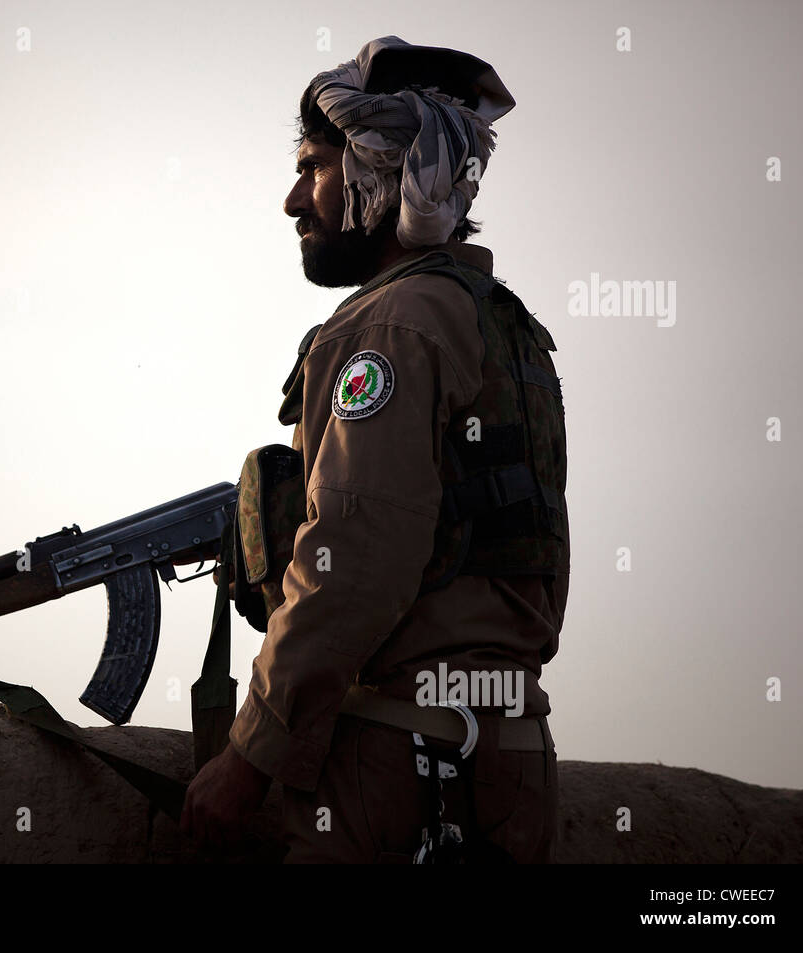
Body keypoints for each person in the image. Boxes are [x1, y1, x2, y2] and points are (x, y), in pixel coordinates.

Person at [180, 35, 569, 863]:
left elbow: (353, 558)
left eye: (314, 167)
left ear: (380, 177)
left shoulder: (389, 326)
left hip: (398, 769)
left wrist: (250, 754)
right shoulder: (504, 325)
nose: (294, 198)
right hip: (507, 758)